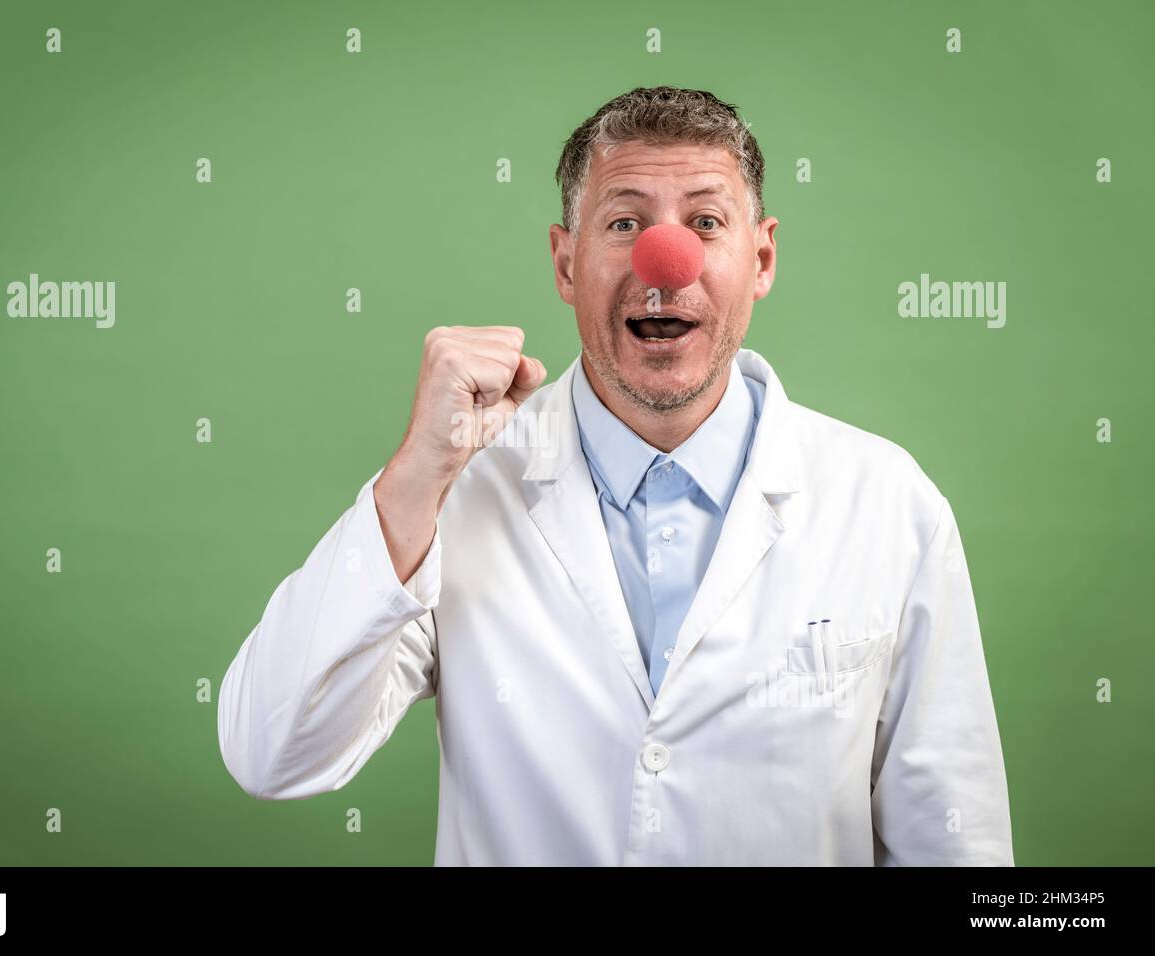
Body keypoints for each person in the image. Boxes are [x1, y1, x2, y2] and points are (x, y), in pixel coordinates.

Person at [217, 86, 1014, 866]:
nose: (664, 263)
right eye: (625, 223)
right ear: (566, 264)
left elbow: (955, 841)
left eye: (705, 222)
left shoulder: (887, 503)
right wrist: (417, 474)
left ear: (762, 259)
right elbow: (271, 753)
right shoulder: (458, 494)